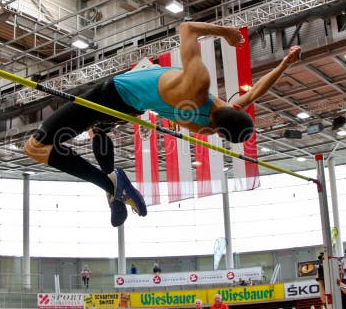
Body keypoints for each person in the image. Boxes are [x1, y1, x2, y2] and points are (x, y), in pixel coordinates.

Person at [22, 22, 301, 227]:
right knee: (98, 130)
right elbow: (257, 92)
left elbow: (188, 28)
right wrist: (283, 65)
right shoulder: (206, 128)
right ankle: (114, 193)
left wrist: (226, 33)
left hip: (110, 93)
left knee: (35, 147)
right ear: (222, 131)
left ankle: (110, 185)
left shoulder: (199, 85)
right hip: (130, 107)